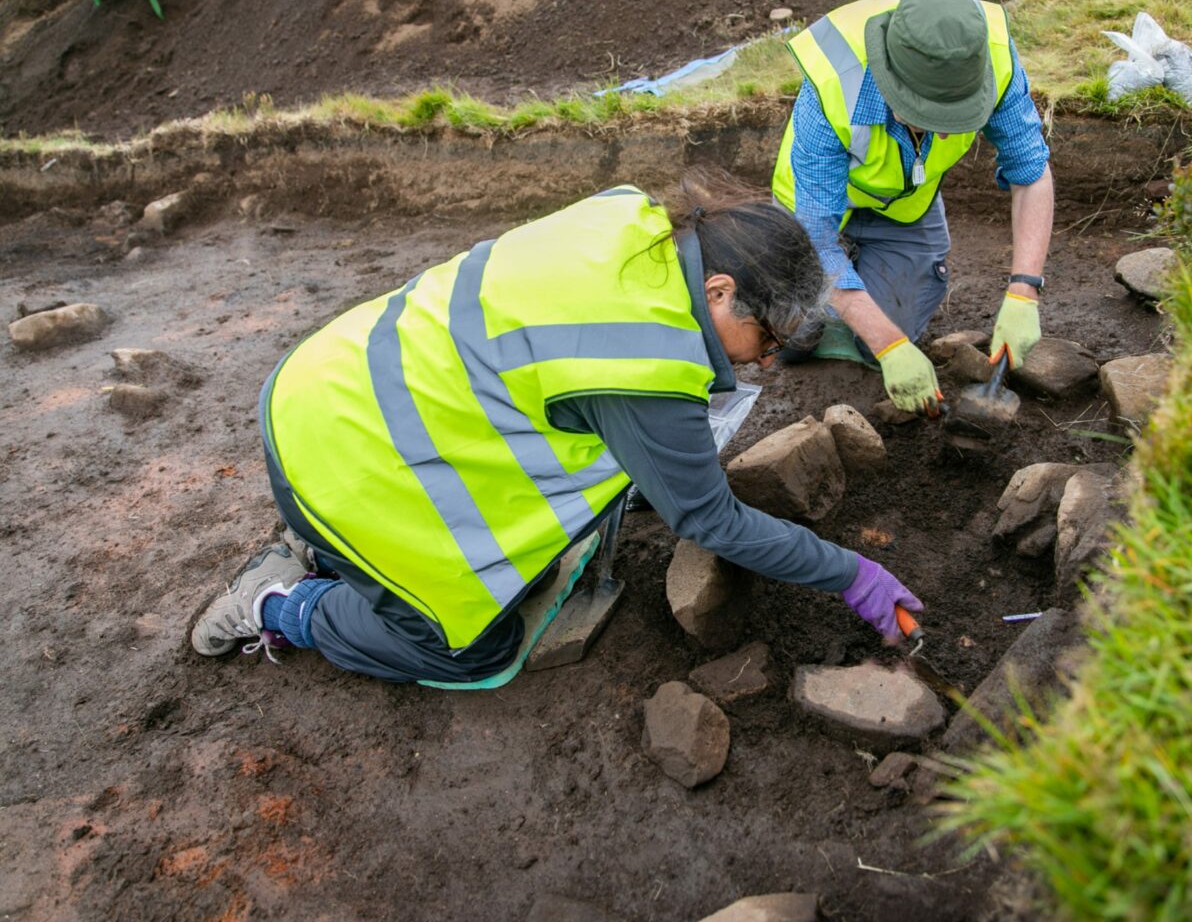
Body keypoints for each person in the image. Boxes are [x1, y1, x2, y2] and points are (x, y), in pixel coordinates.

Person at [189, 176, 923, 685]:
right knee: (473, 650)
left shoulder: (632, 223)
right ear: (720, 293)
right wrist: (850, 573)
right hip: (347, 462)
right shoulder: (643, 357)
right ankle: (279, 603)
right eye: (769, 335)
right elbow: (710, 519)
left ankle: (326, 546)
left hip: (334, 386)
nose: (770, 357)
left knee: (535, 554)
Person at [771, 0, 1055, 415]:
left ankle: (859, 302)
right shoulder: (833, 82)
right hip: (813, 208)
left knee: (888, 334)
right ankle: (817, 316)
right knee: (788, 337)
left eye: (957, 118)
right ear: (890, 84)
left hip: (903, 209)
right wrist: (889, 345)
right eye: (929, 117)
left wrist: (1024, 290)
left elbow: (1031, 172)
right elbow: (818, 236)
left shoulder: (988, 54)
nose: (943, 133)